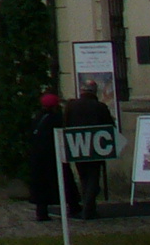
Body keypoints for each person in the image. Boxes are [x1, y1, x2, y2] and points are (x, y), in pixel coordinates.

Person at [65, 79, 117, 219]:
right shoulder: (100, 107)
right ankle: (89, 208)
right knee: (93, 177)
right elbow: (110, 126)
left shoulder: (71, 106)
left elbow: (65, 124)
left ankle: (88, 206)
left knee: (83, 177)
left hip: (77, 146)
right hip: (96, 147)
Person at [27, 91, 77, 220]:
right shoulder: (56, 118)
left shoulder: (37, 117)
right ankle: (74, 206)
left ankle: (41, 212)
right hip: (54, 156)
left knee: (41, 185)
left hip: (38, 157)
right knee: (65, 181)